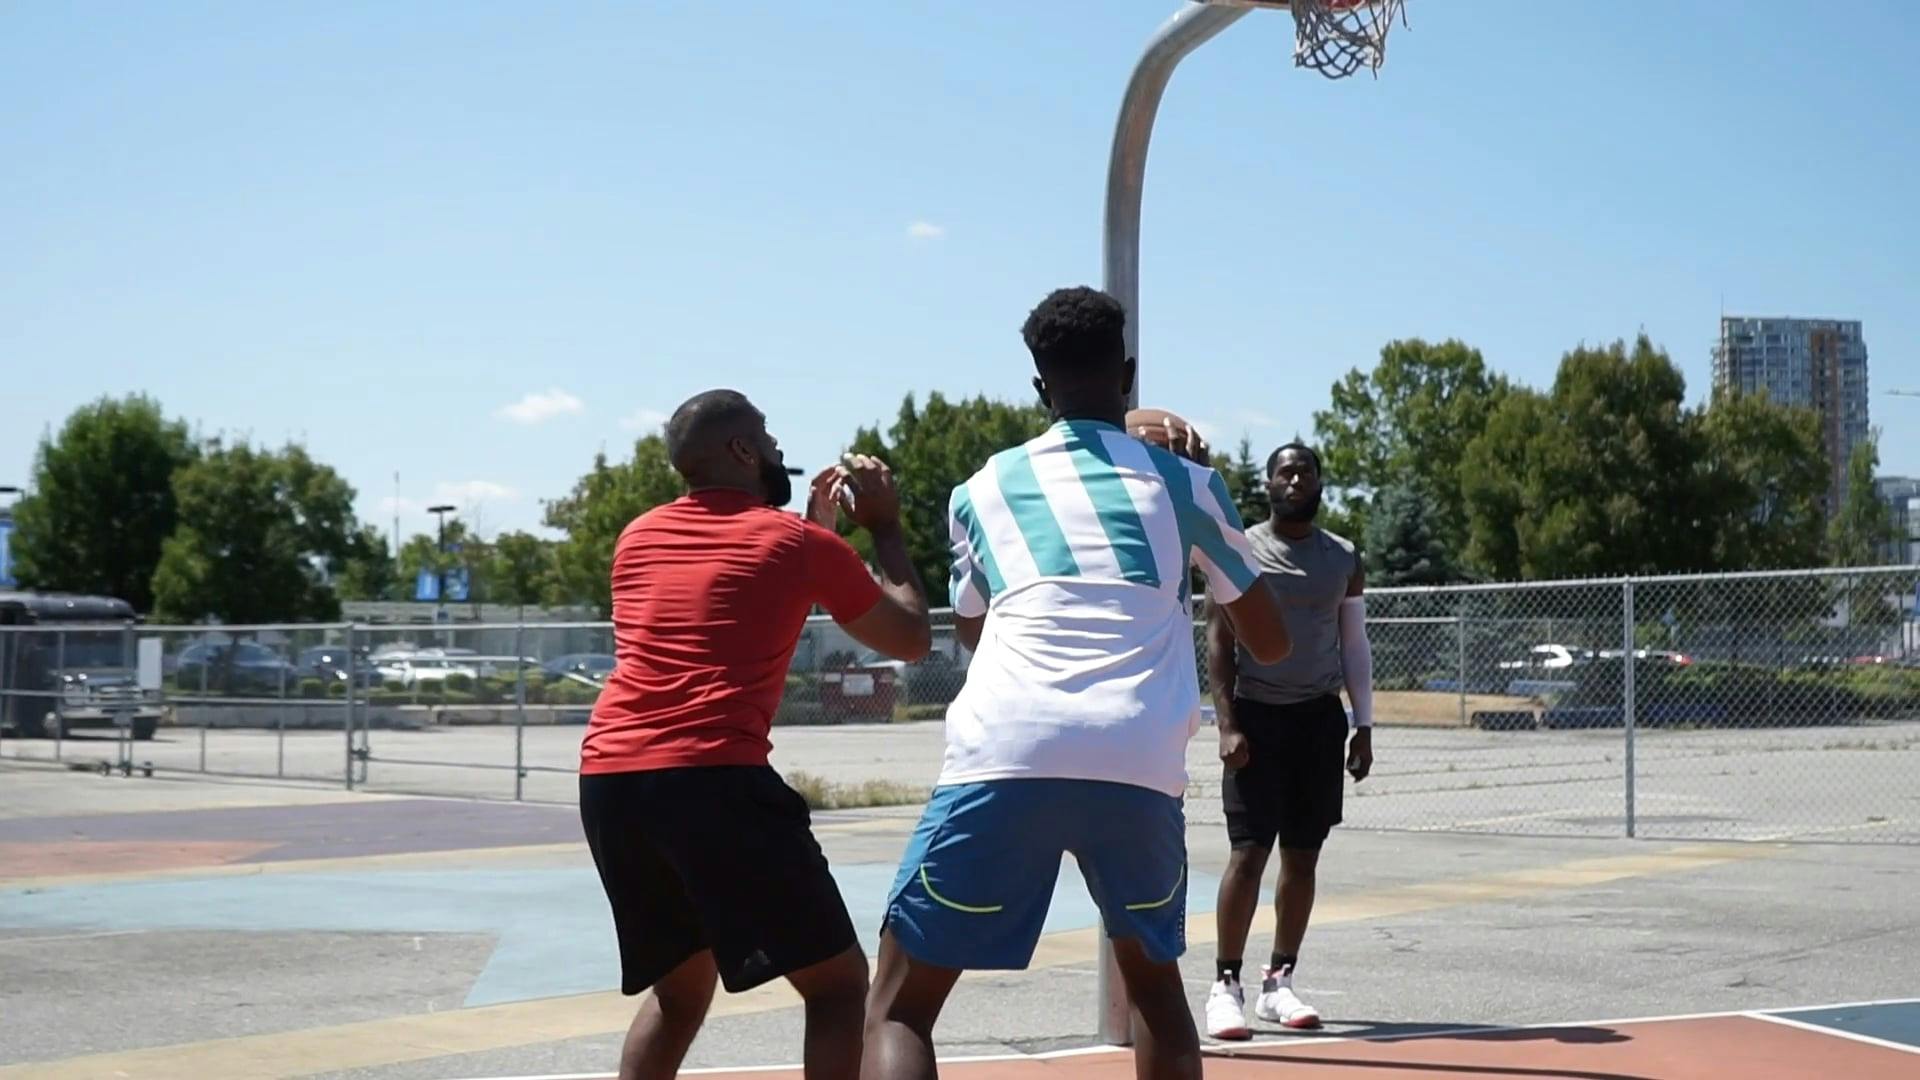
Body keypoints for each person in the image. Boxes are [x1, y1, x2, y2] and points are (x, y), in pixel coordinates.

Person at [861, 287, 1291, 1080]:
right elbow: (1269, 638)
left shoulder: (980, 489)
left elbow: (970, 630)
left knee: (898, 1006)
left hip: (1007, 751)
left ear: (1038, 388)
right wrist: (1191, 555)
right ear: (1128, 376)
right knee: (1156, 992)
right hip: (1138, 758)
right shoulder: (1187, 484)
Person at [579, 388, 931, 1080]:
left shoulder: (637, 537)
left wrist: (816, 532)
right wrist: (884, 529)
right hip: (711, 781)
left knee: (679, 992)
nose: (776, 449)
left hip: (611, 782)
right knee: (835, 987)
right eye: (766, 437)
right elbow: (913, 636)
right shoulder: (798, 545)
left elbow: (737, 585)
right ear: (741, 450)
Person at [1203, 441, 1374, 1040]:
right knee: (1248, 854)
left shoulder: (1344, 558)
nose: (1296, 478)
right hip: (1257, 719)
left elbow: (1354, 645)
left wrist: (1363, 725)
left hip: (1318, 721)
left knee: (1303, 856)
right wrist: (1226, 724)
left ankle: (1280, 981)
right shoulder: (1239, 549)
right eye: (1285, 470)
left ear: (1320, 482)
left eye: (1305, 470)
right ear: (1269, 483)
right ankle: (1226, 984)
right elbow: (1219, 643)